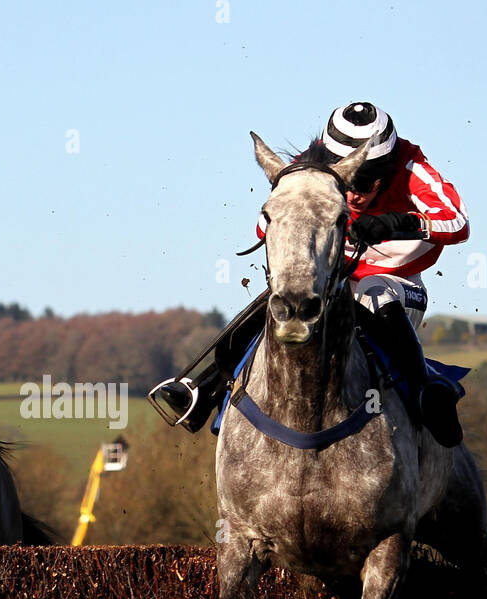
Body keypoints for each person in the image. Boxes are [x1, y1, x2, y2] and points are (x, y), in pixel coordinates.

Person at [151, 102, 468, 447]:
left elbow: (458, 222)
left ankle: (427, 394)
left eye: (369, 179)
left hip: (399, 284)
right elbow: (263, 226)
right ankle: (203, 389)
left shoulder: (413, 166)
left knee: (377, 290)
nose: (357, 192)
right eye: (350, 179)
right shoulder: (308, 166)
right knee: (280, 296)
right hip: (335, 278)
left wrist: (400, 222)